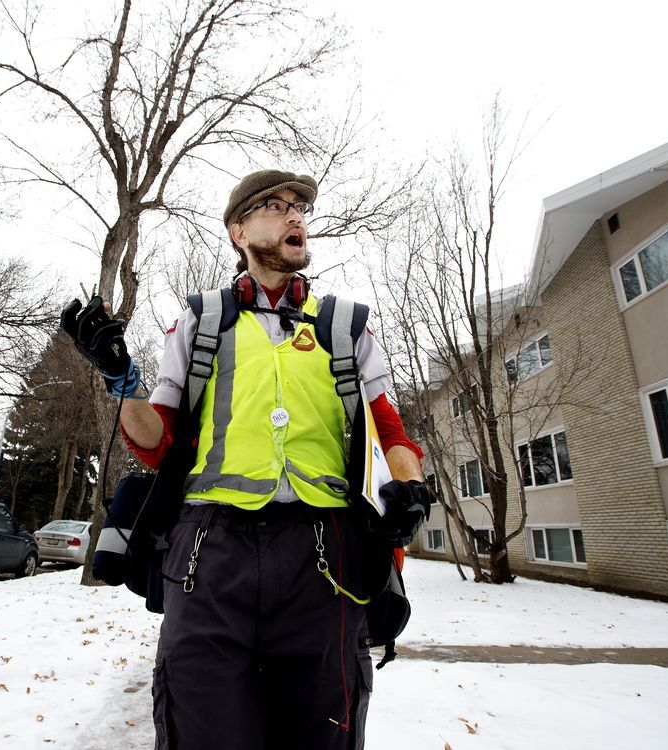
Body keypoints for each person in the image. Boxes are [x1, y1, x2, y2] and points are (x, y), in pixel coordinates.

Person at [62, 170, 428, 750]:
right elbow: (154, 442)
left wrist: (410, 489)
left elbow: (392, 435)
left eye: (300, 207)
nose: (295, 217)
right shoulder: (201, 321)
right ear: (238, 231)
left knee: (323, 735)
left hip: (325, 559)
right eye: (275, 206)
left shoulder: (347, 327)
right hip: (211, 556)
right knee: (202, 731)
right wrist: (120, 378)